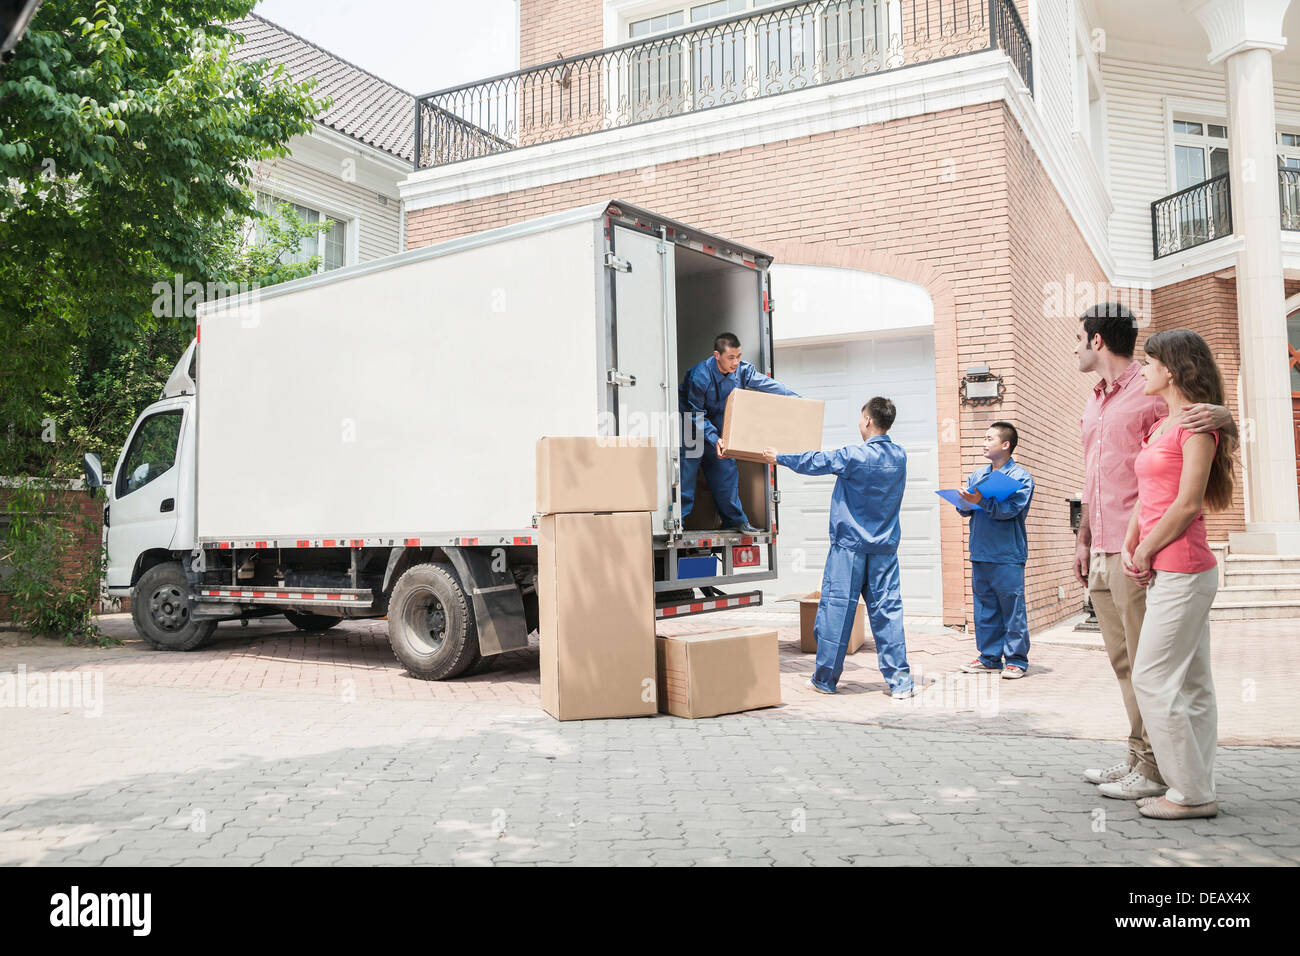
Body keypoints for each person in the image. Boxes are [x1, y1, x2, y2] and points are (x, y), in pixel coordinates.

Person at [1073, 303, 1233, 802]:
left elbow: (1194, 436)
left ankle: (1157, 768)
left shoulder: (1149, 392)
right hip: (1104, 545)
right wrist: (1083, 537)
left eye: (1079, 338)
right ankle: (1138, 757)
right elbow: (1095, 476)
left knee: (1151, 666)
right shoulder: (1095, 403)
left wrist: (1228, 417)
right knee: (1125, 662)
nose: (1075, 347)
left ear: (1098, 340)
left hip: (1143, 550)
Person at [1122, 330, 1235, 821]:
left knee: (1151, 677)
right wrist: (1132, 536)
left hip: (1184, 568)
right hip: (1167, 567)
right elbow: (1152, 491)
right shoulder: (1161, 426)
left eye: (1148, 364)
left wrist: (1146, 548)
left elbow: (1188, 503)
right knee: (1192, 683)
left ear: (1170, 369)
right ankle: (1198, 786)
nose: (1142, 371)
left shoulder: (1196, 427)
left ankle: (1188, 793)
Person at [762, 397, 914, 699]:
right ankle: (901, 683)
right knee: (888, 613)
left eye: (861, 418)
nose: (860, 423)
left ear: (868, 421)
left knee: (837, 613)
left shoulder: (854, 455)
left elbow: (816, 462)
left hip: (850, 549)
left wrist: (779, 457)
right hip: (884, 549)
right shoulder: (899, 456)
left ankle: (825, 680)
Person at [679, 332, 797, 535]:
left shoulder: (742, 370)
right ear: (717, 355)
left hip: (717, 421)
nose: (736, 362)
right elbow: (695, 413)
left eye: (739, 356)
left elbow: (767, 384)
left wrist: (796, 399)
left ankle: (734, 520)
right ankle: (678, 520)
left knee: (726, 471)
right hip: (692, 423)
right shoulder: (700, 376)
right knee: (687, 473)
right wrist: (714, 438)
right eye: (731, 357)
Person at [956, 422, 1035, 679]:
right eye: (983, 437)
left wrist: (982, 501)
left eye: (989, 438)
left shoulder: (1021, 478)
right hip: (980, 552)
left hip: (1007, 554)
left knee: (1012, 609)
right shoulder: (977, 476)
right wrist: (965, 502)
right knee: (985, 609)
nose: (983, 442)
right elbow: (964, 510)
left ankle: (1016, 660)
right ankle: (989, 658)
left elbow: (1010, 511)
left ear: (1005, 444)